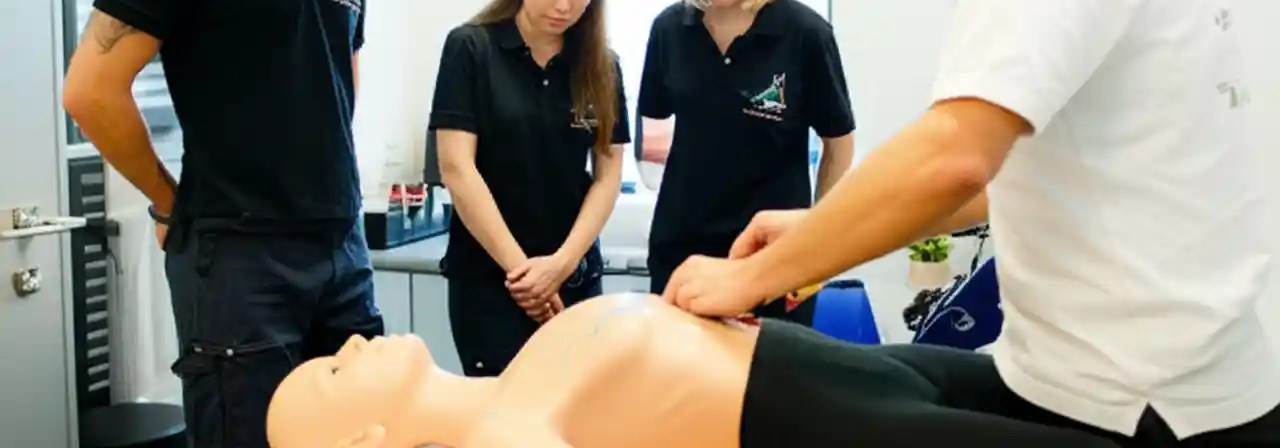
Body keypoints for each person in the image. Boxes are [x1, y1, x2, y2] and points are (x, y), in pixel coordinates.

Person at [663, 0, 1280, 446]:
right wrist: (813, 230)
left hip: (1146, 408)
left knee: (751, 388)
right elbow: (997, 179)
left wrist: (754, 278)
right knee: (811, 371)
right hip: (1094, 380)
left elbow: (952, 156)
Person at [61, 0, 387, 446]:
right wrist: (171, 199)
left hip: (340, 249)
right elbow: (90, 90)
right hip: (239, 259)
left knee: (366, 433)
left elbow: (339, 85)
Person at [264, 292, 1124, 447]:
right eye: (333, 378)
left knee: (1120, 404)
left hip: (834, 363)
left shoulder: (518, 379)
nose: (345, 346)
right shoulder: (508, 429)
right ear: (364, 442)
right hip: (816, 419)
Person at [637, 0, 855, 325]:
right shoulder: (668, 32)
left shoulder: (805, 35)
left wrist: (814, 238)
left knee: (766, 393)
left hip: (774, 262)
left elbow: (839, 143)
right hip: (682, 256)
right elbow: (651, 142)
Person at [428, 0, 630, 378]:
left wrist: (560, 265)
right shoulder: (471, 49)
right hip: (491, 285)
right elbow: (458, 168)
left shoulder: (603, 66)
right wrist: (524, 275)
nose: (564, 5)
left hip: (573, 283)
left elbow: (607, 176)